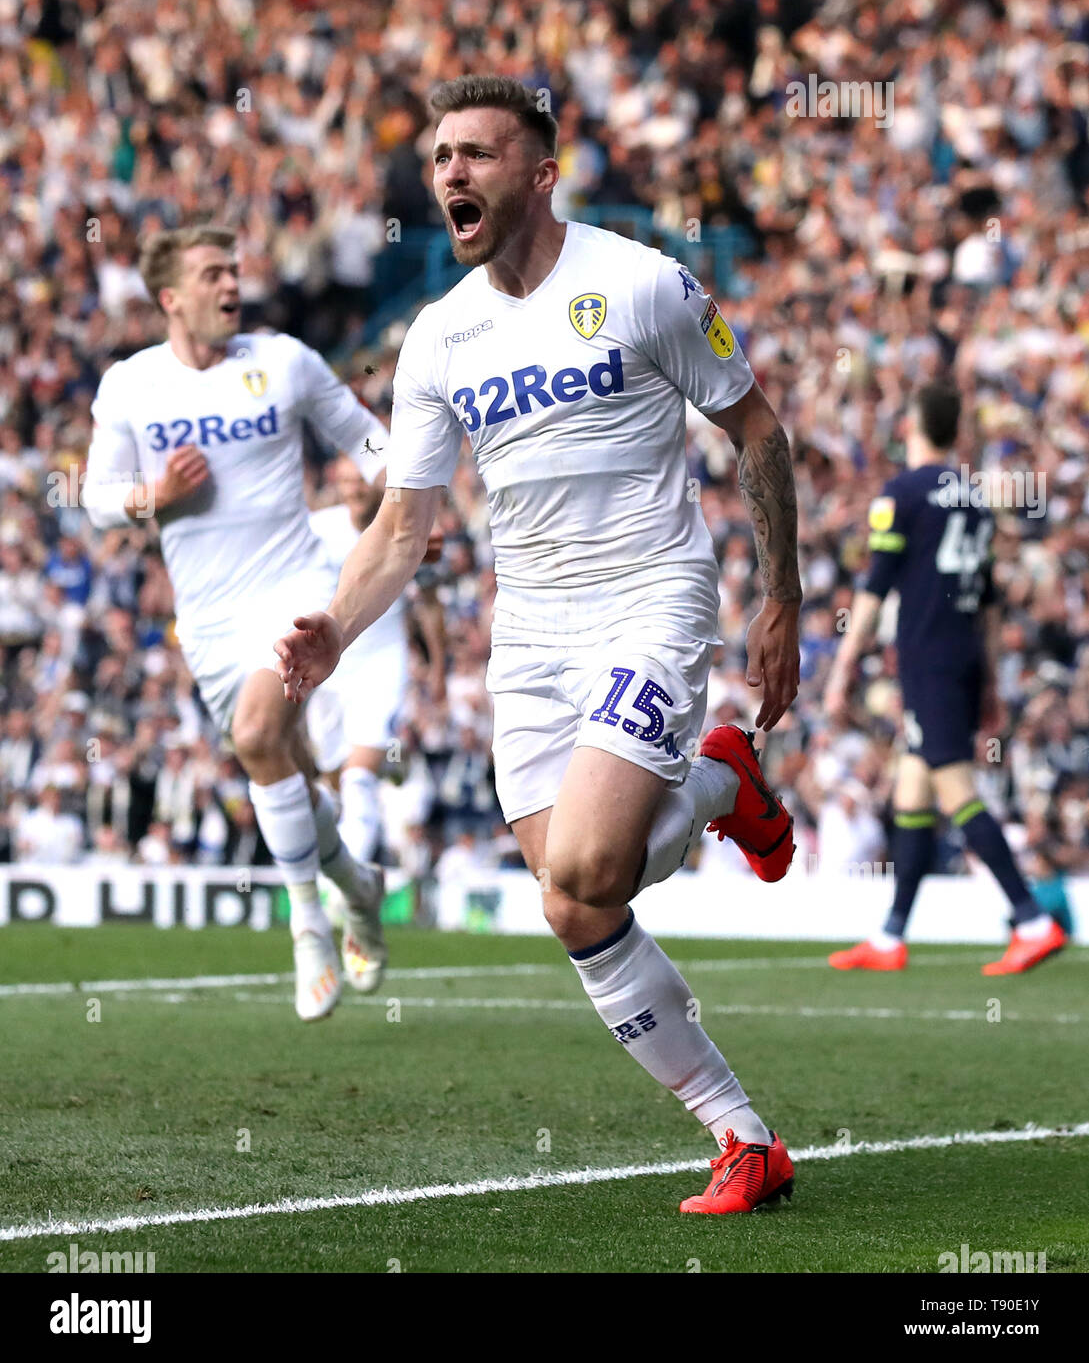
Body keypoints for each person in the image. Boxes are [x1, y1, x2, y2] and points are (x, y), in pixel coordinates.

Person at [276, 75, 802, 1215]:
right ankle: (743, 1136)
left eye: (476, 153)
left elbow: (756, 429)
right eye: (440, 158)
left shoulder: (640, 282)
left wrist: (785, 600)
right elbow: (402, 526)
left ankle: (715, 778)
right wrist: (334, 625)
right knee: (571, 907)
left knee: (591, 869)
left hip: (648, 599)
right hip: (531, 635)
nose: (451, 174)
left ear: (541, 173)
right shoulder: (440, 336)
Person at [83, 224, 390, 1021]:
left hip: (294, 588)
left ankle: (308, 925)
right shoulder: (131, 385)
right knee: (275, 756)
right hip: (208, 620)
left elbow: (368, 438)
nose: (231, 286)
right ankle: (357, 886)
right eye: (213, 274)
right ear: (170, 299)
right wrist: (152, 498)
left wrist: (402, 501)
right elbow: (92, 496)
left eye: (235, 269)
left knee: (258, 739)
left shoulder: (283, 361)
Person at [824, 382, 1066, 976]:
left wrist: (841, 669)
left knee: (955, 788)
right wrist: (986, 680)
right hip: (960, 658)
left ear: (910, 424)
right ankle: (890, 936)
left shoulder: (902, 492)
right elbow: (986, 604)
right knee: (913, 790)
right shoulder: (975, 497)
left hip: (928, 657)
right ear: (955, 429)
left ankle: (1031, 920)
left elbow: (874, 590)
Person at [306, 454, 447, 867]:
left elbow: (430, 604)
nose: (354, 489)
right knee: (332, 777)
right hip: (326, 671)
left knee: (359, 777)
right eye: (347, 481)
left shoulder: (405, 531)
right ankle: (338, 865)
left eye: (362, 482)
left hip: (380, 663)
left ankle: (350, 890)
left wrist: (437, 667)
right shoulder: (317, 529)